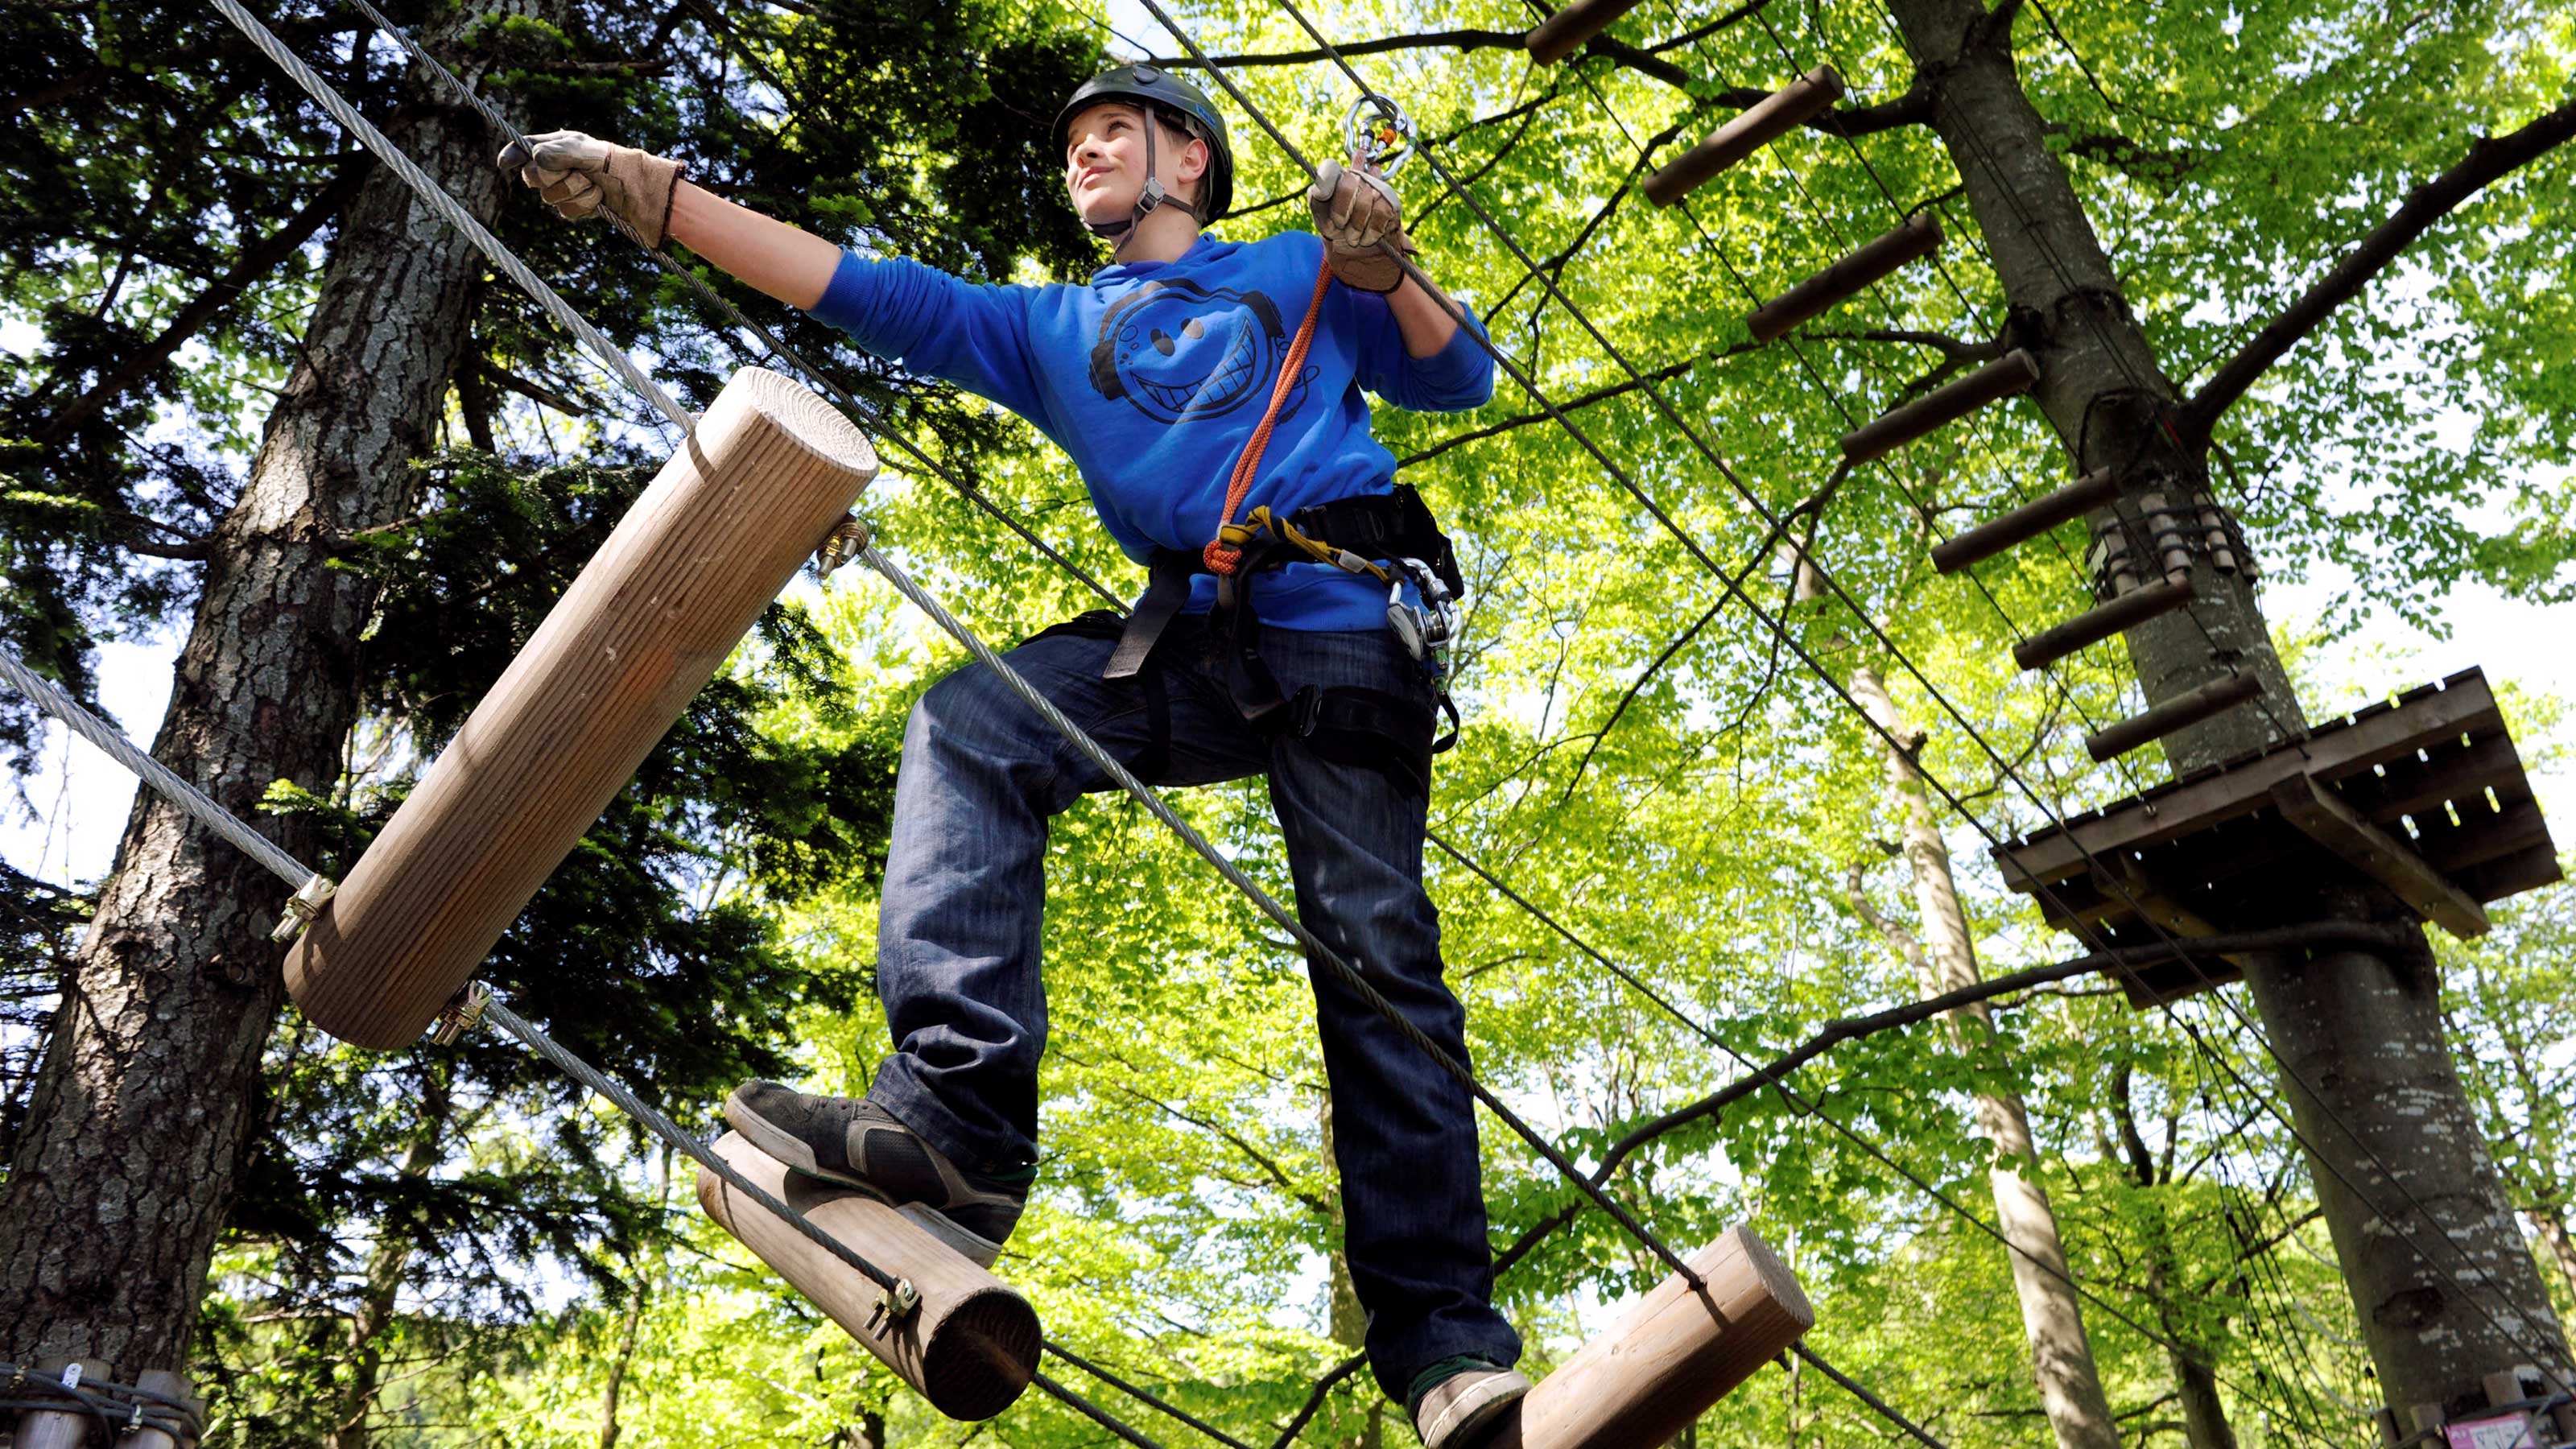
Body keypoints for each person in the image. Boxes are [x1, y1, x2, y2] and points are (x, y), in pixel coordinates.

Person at [504, 62, 1528, 1447]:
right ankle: (958, 1127)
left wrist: (1380, 263)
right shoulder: (1048, 328)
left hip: (1345, 617)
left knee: (1373, 951)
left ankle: (1446, 1347)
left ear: (1194, 159)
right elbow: (855, 284)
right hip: (1198, 641)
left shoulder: (1296, 270)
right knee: (977, 720)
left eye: (1119, 130)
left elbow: (1457, 371)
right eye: (1077, 143)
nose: (1087, 153)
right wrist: (654, 194)